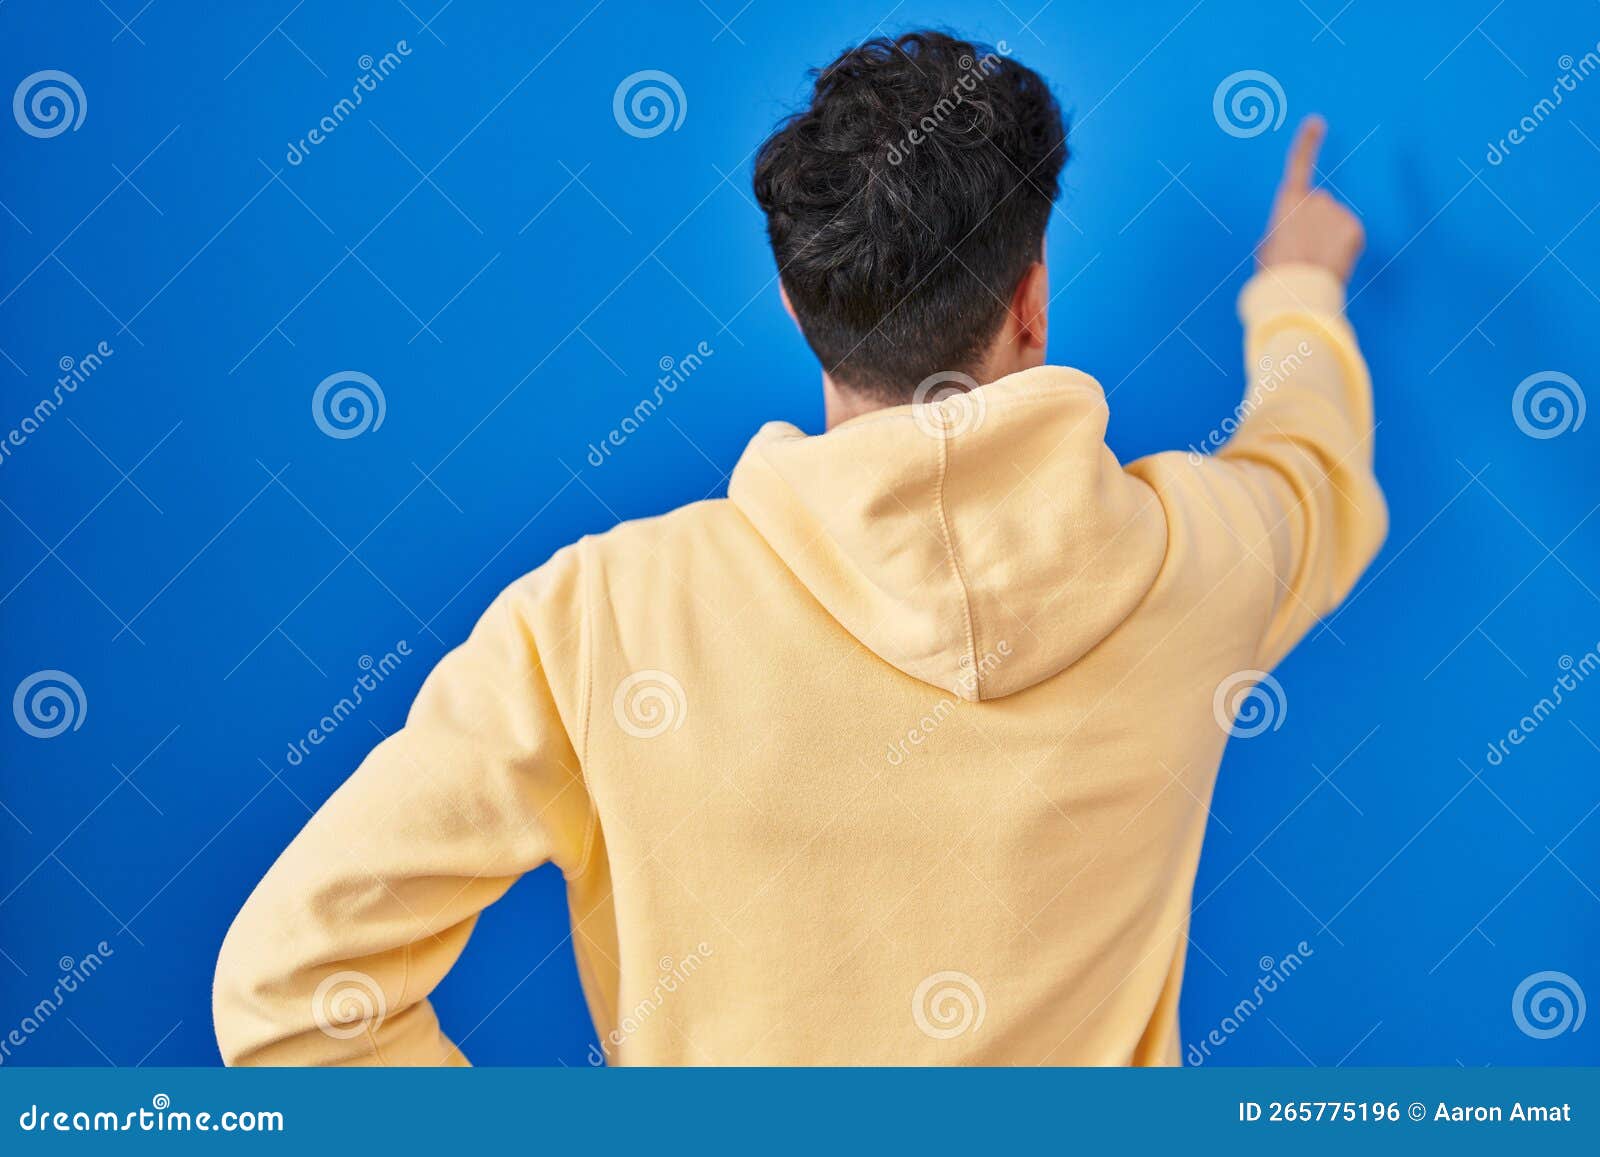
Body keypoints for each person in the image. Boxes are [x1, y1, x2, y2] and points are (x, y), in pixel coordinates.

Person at [214, 30, 1384, 1066]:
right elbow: (1313, 472)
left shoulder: (598, 621)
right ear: (1029, 301)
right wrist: (1295, 294)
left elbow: (293, 990)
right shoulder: (1199, 561)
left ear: (789, 298)